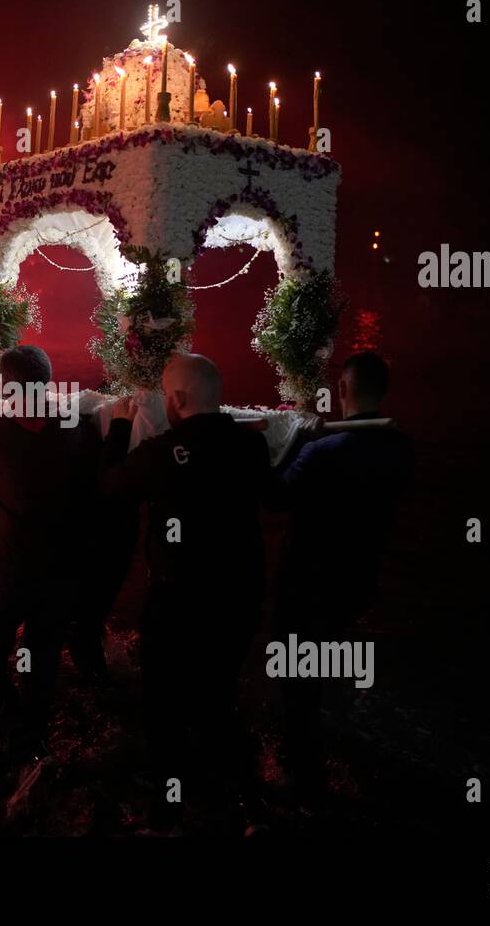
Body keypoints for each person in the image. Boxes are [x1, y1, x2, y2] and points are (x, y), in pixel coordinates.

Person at [98, 353, 270, 826]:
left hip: (179, 599)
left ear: (175, 399)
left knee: (164, 703)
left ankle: (169, 807)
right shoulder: (253, 448)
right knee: (218, 693)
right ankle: (247, 802)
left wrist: (118, 427)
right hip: (240, 593)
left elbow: (109, 486)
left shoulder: (158, 455)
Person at [265, 350, 413, 797]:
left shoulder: (322, 449)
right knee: (319, 664)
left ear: (343, 390)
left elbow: (274, 498)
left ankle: (300, 773)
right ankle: (318, 752)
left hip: (307, 581)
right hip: (357, 577)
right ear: (384, 391)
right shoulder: (400, 448)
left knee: (295, 677)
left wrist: (291, 440)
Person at [0, 345, 101, 781]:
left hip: (10, 568)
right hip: (64, 568)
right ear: (47, 381)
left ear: (7, 387)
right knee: (40, 657)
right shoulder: (77, 429)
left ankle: (24, 743)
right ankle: (37, 745)